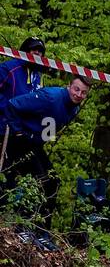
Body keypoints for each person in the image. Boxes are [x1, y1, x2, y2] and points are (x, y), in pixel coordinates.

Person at [1, 75, 90, 223]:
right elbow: (13, 104)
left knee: (53, 180)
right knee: (39, 180)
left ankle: (42, 230)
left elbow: (52, 128)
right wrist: (18, 133)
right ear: (69, 86)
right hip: (18, 140)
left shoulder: (74, 109)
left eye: (83, 92)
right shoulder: (50, 97)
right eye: (76, 89)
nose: (79, 95)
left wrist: (43, 141)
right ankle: (24, 225)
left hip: (34, 145)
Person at [0, 37, 45, 114]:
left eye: (40, 51)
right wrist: (8, 109)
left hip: (25, 123)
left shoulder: (38, 76)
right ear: (25, 50)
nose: (37, 52)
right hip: (5, 120)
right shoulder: (9, 68)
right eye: (34, 49)